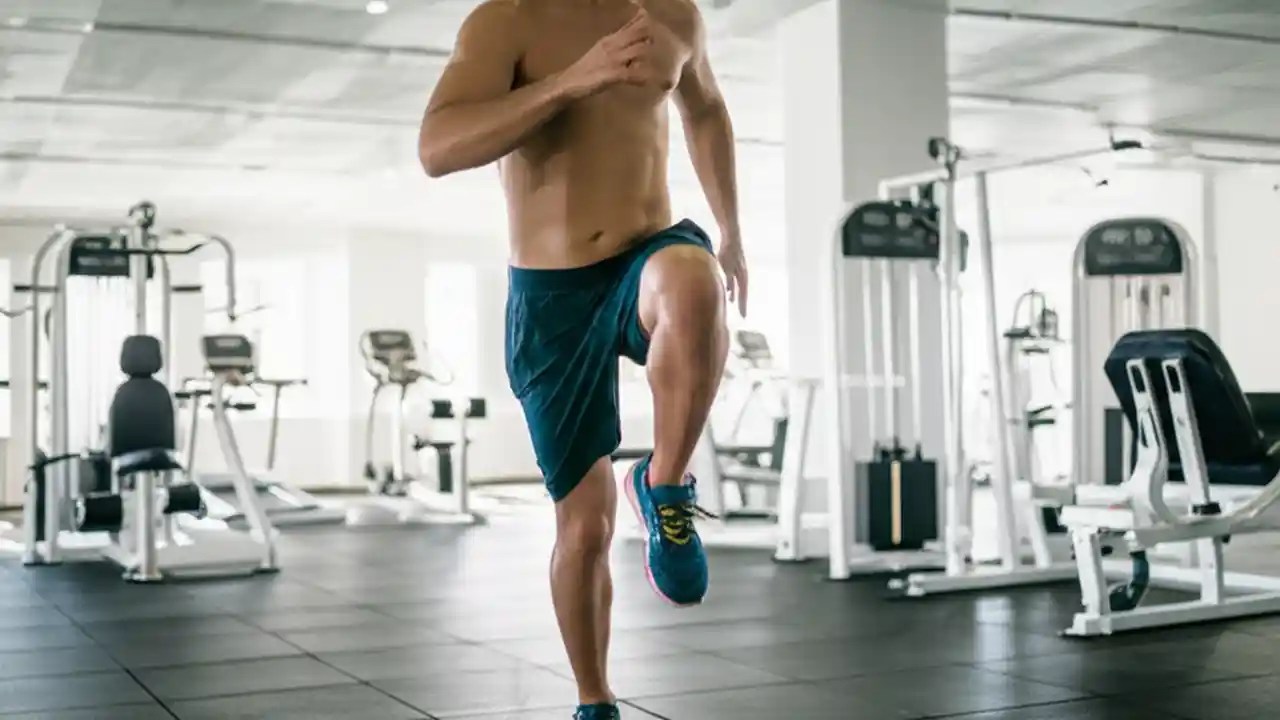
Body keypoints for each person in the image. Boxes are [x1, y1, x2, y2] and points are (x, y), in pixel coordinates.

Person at [417, 0, 746, 717]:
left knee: (694, 283)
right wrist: (573, 80)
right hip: (551, 296)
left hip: (644, 254)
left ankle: (663, 487)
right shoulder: (505, 20)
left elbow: (709, 108)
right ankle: (594, 699)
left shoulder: (674, 13)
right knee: (584, 523)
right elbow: (437, 148)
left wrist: (730, 231)